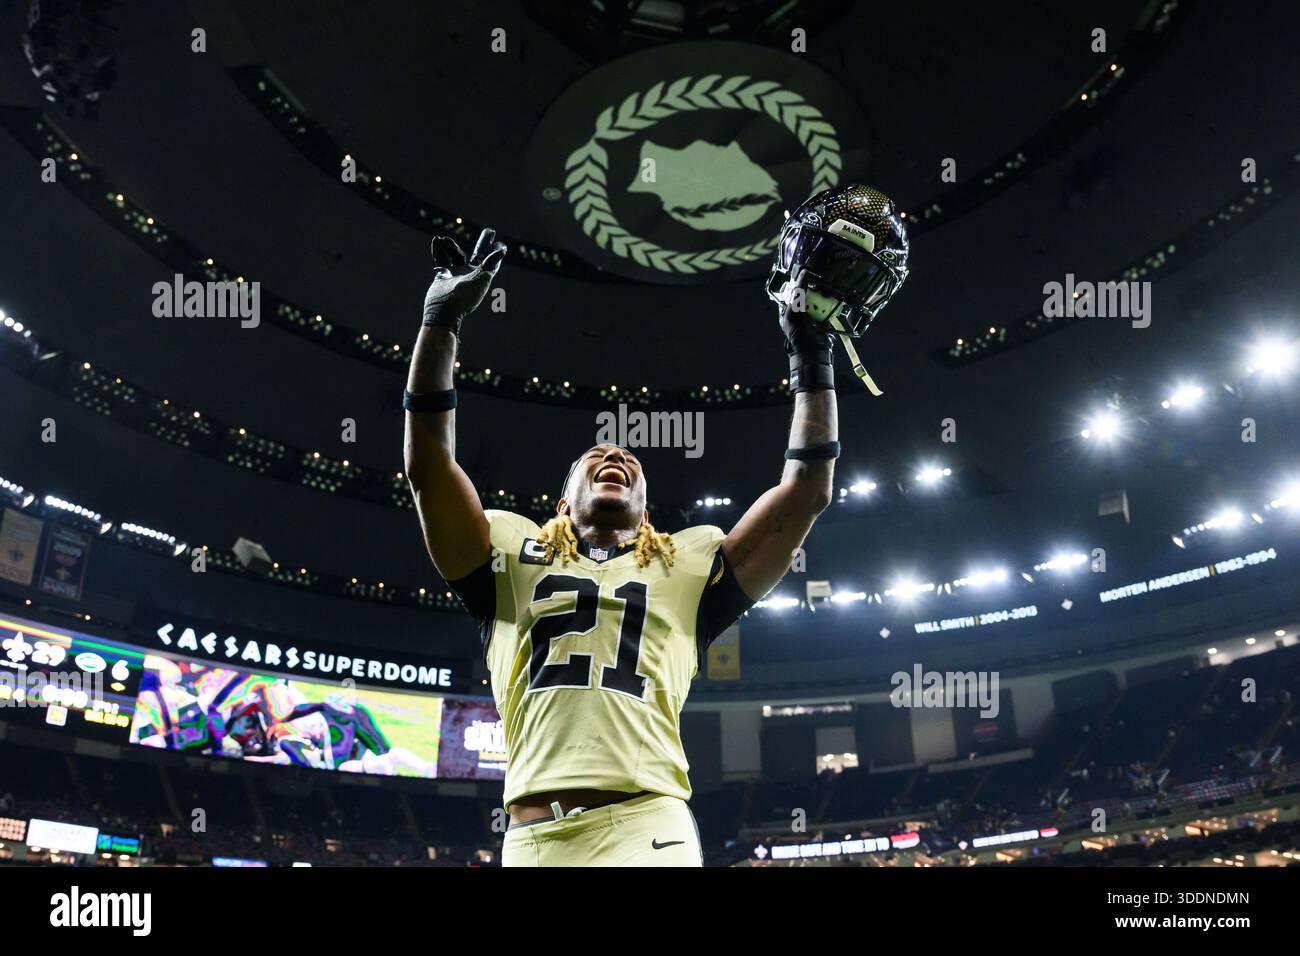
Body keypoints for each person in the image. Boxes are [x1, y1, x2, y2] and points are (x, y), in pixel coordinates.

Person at [403, 185, 908, 866]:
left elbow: (806, 493)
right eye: (596, 458)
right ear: (559, 504)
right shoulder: (507, 550)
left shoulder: (686, 564)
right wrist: (440, 325)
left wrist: (811, 358)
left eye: (628, 461)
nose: (614, 457)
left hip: (649, 824)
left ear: (647, 508)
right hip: (531, 837)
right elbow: (429, 468)